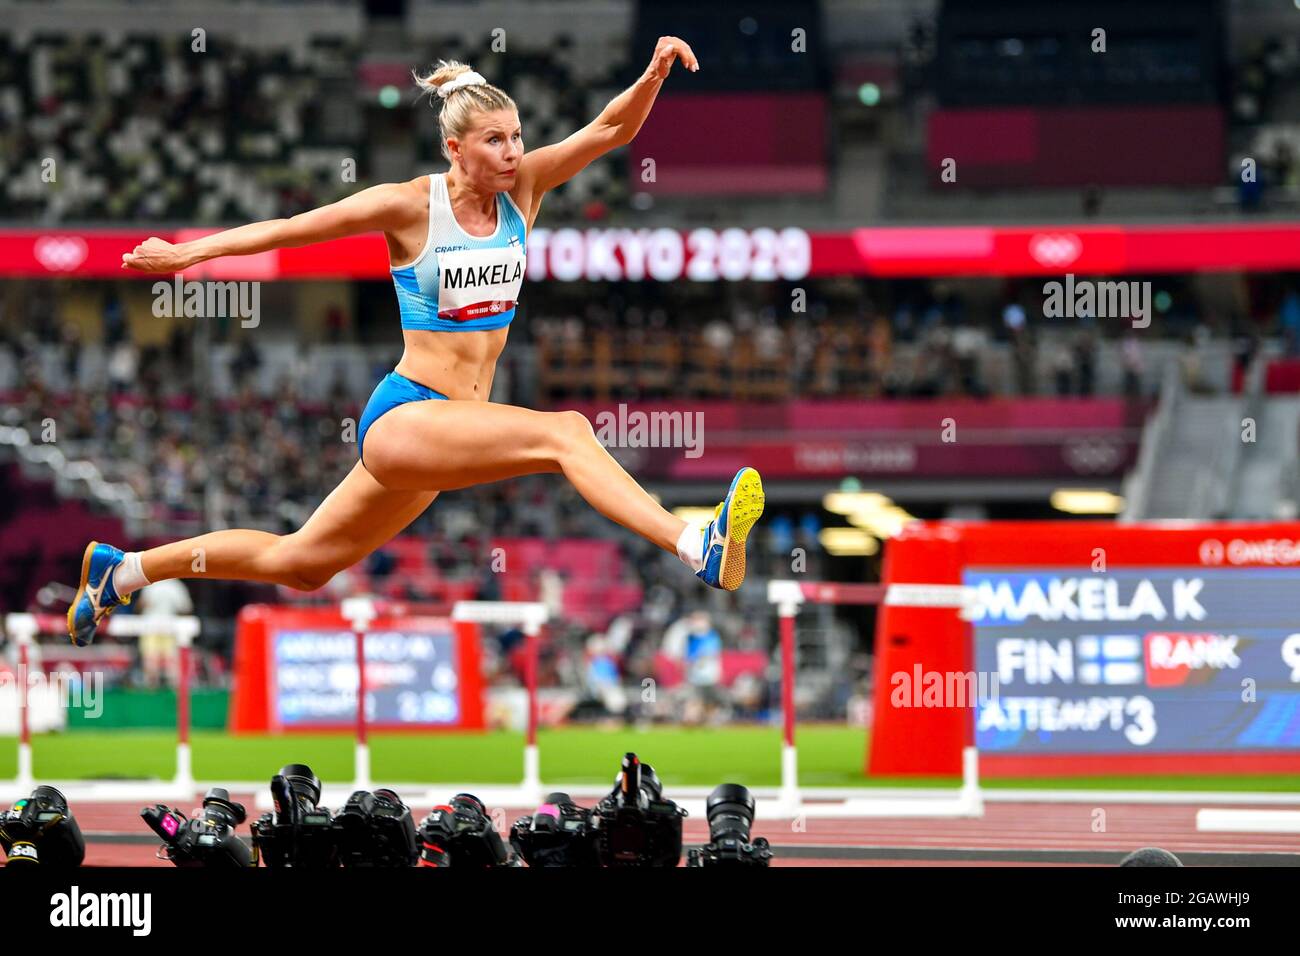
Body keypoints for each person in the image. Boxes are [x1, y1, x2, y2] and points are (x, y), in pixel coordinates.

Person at [68, 39, 765, 647]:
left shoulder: (525, 190)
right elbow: (289, 227)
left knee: (301, 564)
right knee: (568, 433)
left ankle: (122, 570)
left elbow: (611, 129)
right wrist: (188, 256)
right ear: (453, 149)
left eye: (518, 136)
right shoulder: (408, 205)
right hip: (405, 417)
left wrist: (654, 73)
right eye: (495, 141)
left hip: (448, 433)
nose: (514, 152)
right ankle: (692, 542)